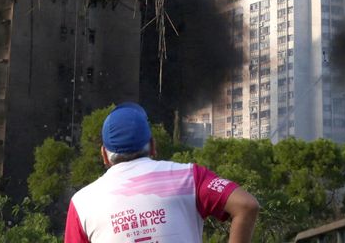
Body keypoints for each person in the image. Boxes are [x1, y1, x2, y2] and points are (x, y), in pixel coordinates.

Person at [64, 103, 261, 243]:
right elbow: (246, 205)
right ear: (152, 146)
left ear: (104, 156)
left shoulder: (82, 203)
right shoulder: (189, 178)